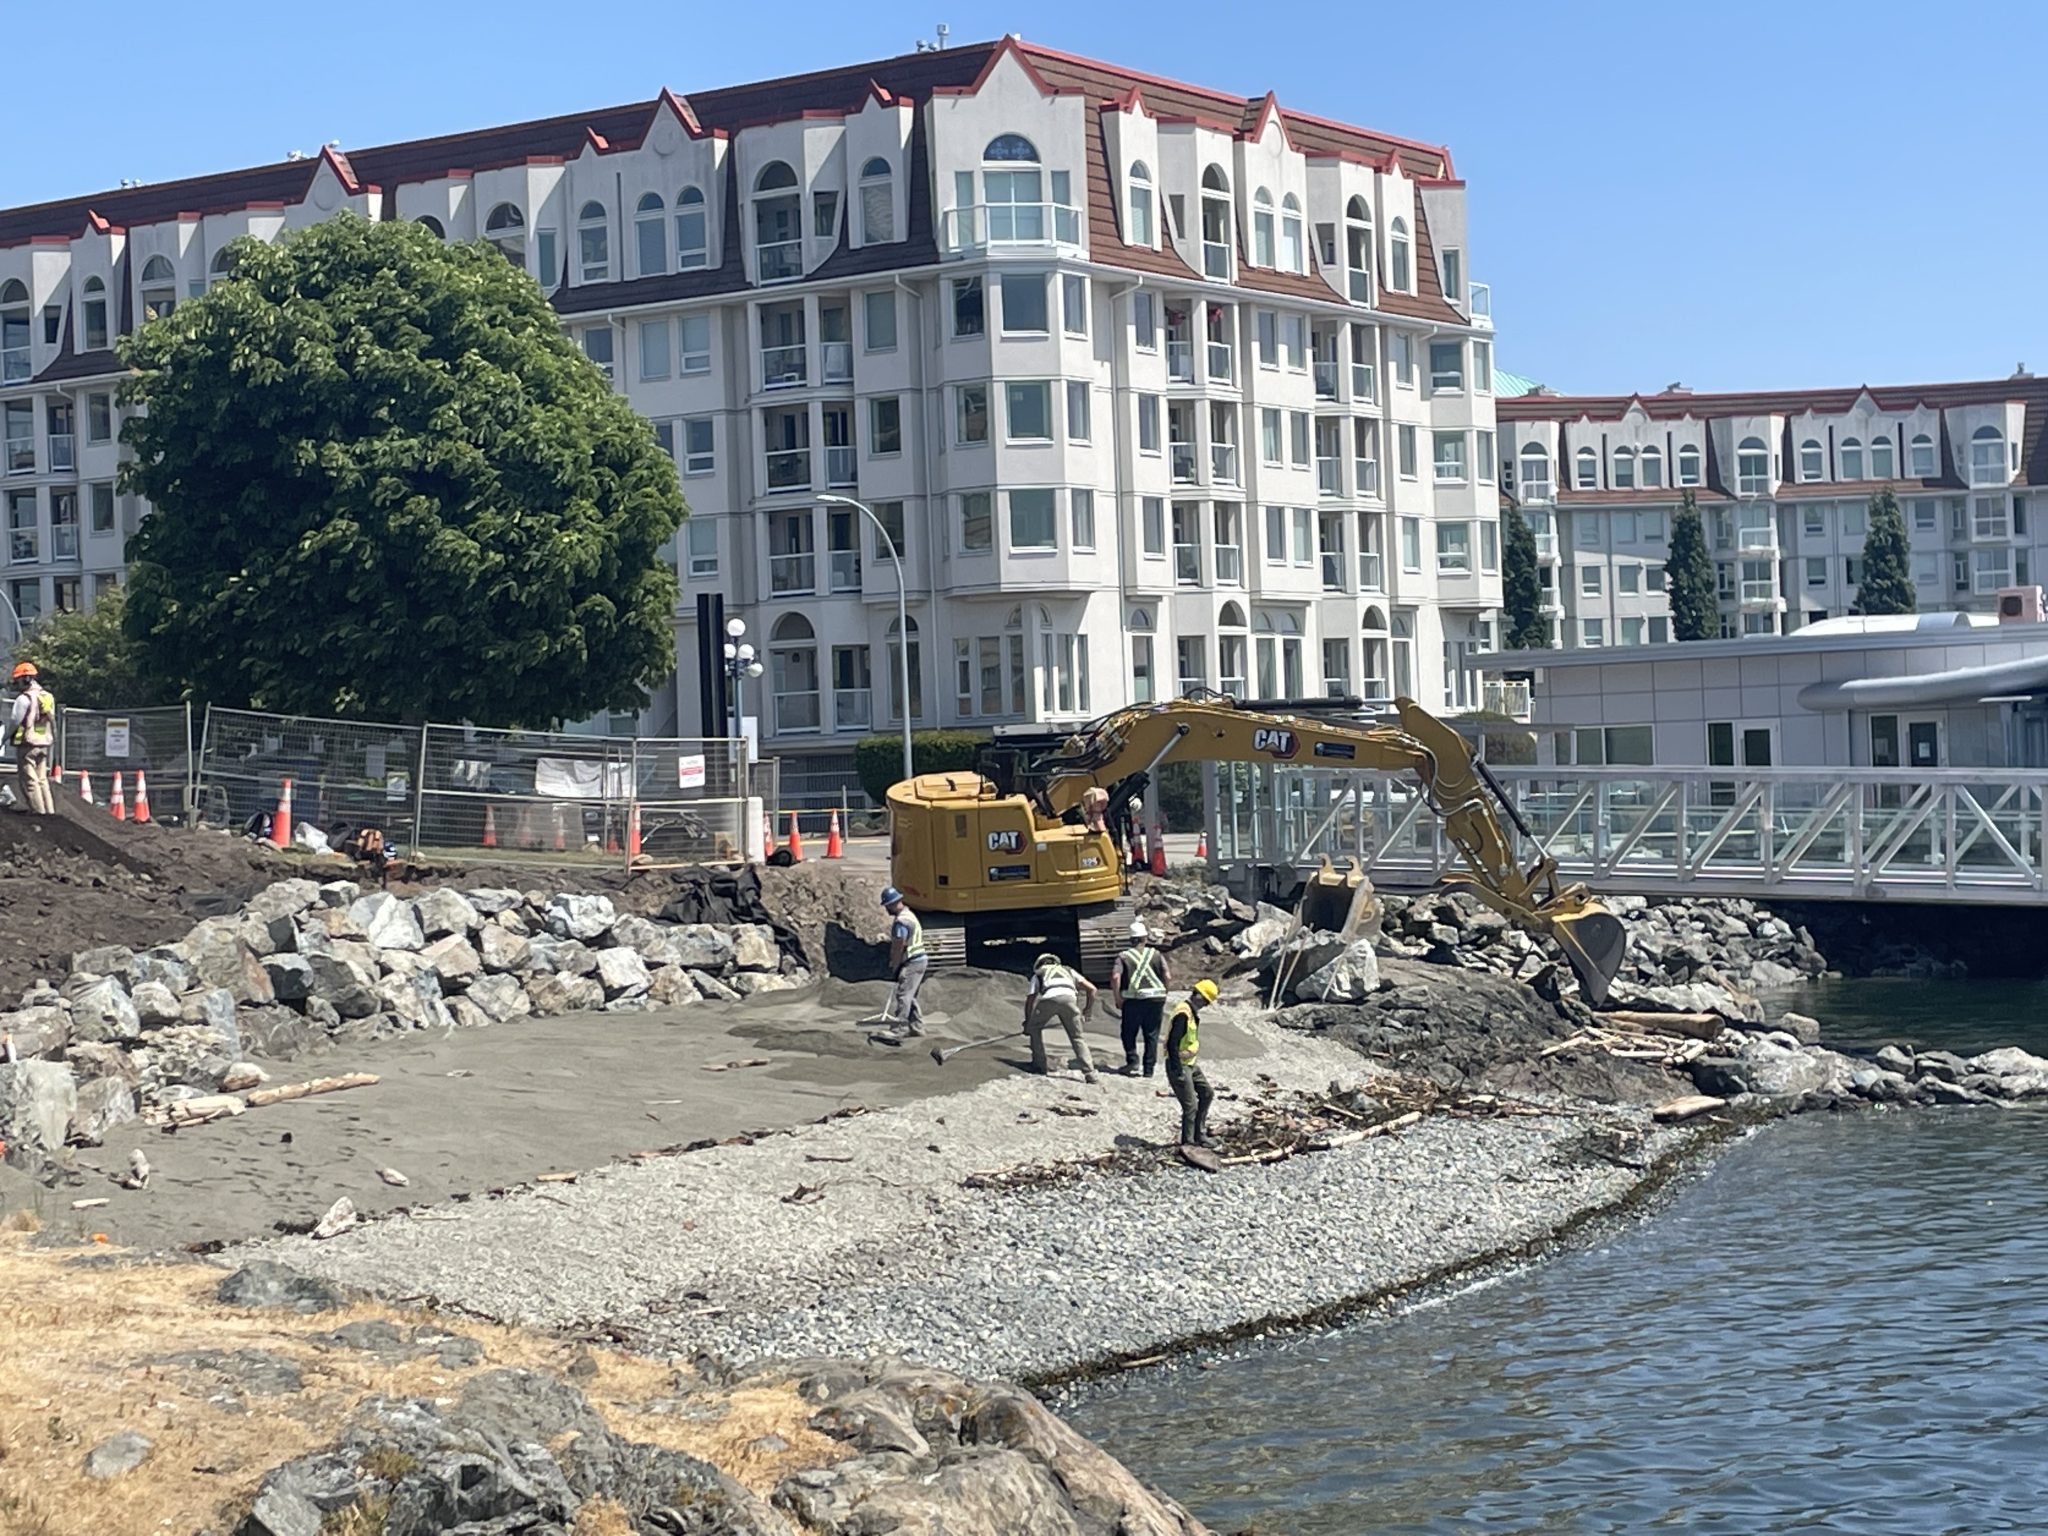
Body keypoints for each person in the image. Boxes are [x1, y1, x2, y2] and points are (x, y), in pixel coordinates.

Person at [1023, 953, 1100, 1083]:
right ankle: (1090, 1073)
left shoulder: (1038, 974)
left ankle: (1039, 1065)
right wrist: (1088, 1010)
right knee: (1077, 1038)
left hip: (1049, 998)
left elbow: (1031, 999)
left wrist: (1028, 1022)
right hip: (1070, 999)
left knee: (1035, 1029)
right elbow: (1092, 989)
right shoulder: (1068, 970)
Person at [1110, 919, 1171, 1077]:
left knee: (1128, 1032)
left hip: (1133, 999)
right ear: (1145, 938)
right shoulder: (1156, 954)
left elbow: (1116, 977)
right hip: (1156, 999)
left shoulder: (1123, 956)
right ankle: (1148, 1070)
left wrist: (1118, 998)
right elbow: (1167, 975)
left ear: (1130, 940)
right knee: (1151, 1034)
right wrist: (1164, 992)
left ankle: (1132, 1061)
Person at [1164, 979, 1219, 1148]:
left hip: (1190, 1064)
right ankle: (1188, 1143)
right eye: (1206, 1002)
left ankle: (1199, 1134)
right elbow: (1172, 1043)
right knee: (1191, 1106)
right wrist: (1177, 1069)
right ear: (1199, 996)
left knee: (1207, 1093)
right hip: (1180, 1065)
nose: (1206, 1006)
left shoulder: (1191, 1012)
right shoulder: (1183, 1014)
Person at [7, 662, 55, 815]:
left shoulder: (24, 698)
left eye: (18, 681)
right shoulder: (47, 697)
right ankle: (50, 812)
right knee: (42, 780)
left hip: (28, 744)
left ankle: (38, 812)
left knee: (30, 780)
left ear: (25, 679)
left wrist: (3, 739)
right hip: (44, 743)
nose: (17, 684)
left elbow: (15, 721)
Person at [880, 886, 927, 1037]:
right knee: (910, 995)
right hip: (919, 959)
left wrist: (895, 963)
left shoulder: (901, 922)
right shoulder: (909, 915)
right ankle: (917, 1027)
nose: (886, 909)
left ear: (892, 904)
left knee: (903, 995)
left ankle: (899, 1029)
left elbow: (899, 944)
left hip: (913, 961)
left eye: (887, 906)